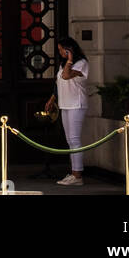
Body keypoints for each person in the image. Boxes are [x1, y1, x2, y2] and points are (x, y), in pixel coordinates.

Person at [44, 36, 89, 186]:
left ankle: (77, 176)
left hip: (77, 104)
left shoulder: (81, 64)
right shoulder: (64, 64)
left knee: (75, 140)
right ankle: (74, 172)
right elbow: (59, 82)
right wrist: (52, 99)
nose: (60, 53)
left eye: (61, 50)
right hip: (65, 104)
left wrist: (69, 59)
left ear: (70, 49)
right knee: (70, 140)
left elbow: (66, 76)